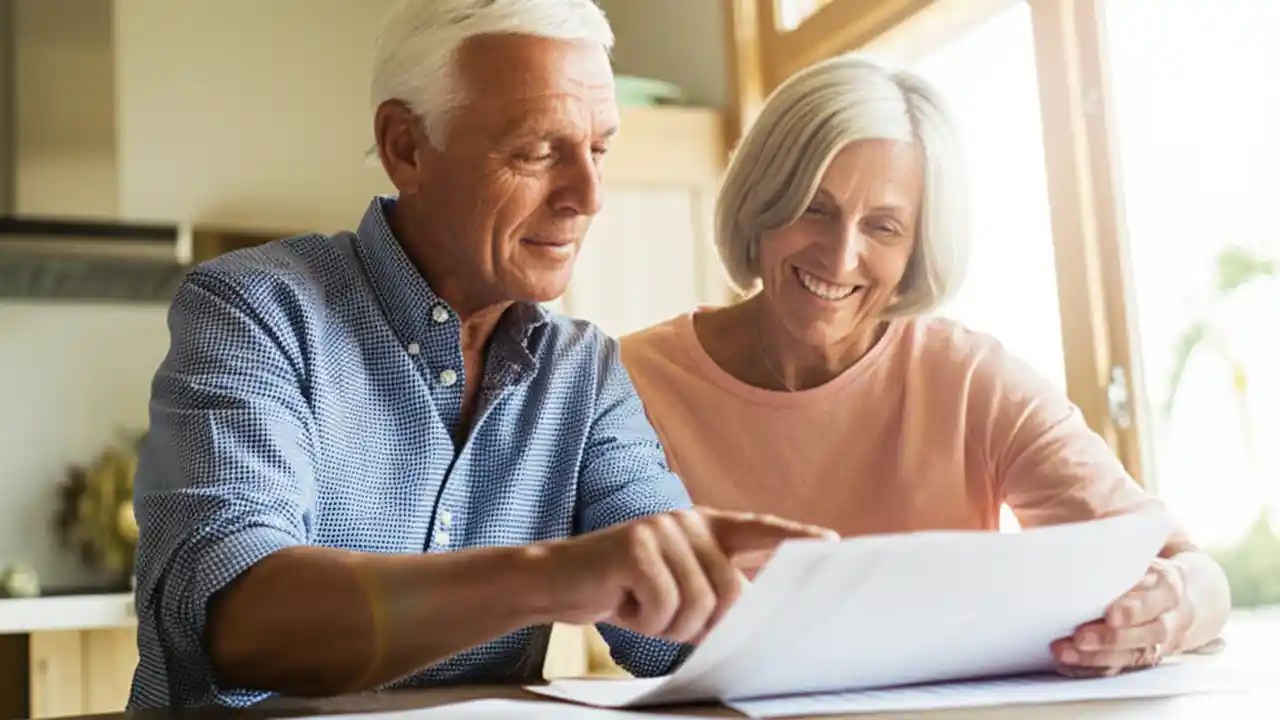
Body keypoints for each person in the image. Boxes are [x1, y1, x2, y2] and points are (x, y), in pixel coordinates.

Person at [129, 0, 834, 709]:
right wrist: (547, 576)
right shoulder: (254, 308)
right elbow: (240, 620)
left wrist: (762, 613)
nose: (587, 196)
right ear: (407, 147)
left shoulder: (584, 374)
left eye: (598, 150)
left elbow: (674, 631)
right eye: (536, 151)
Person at [621, 54, 1231, 679]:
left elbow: (1190, 571)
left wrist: (1172, 608)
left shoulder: (969, 380)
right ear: (762, 203)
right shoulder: (628, 380)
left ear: (917, 248)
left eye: (883, 226)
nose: (840, 256)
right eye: (815, 209)